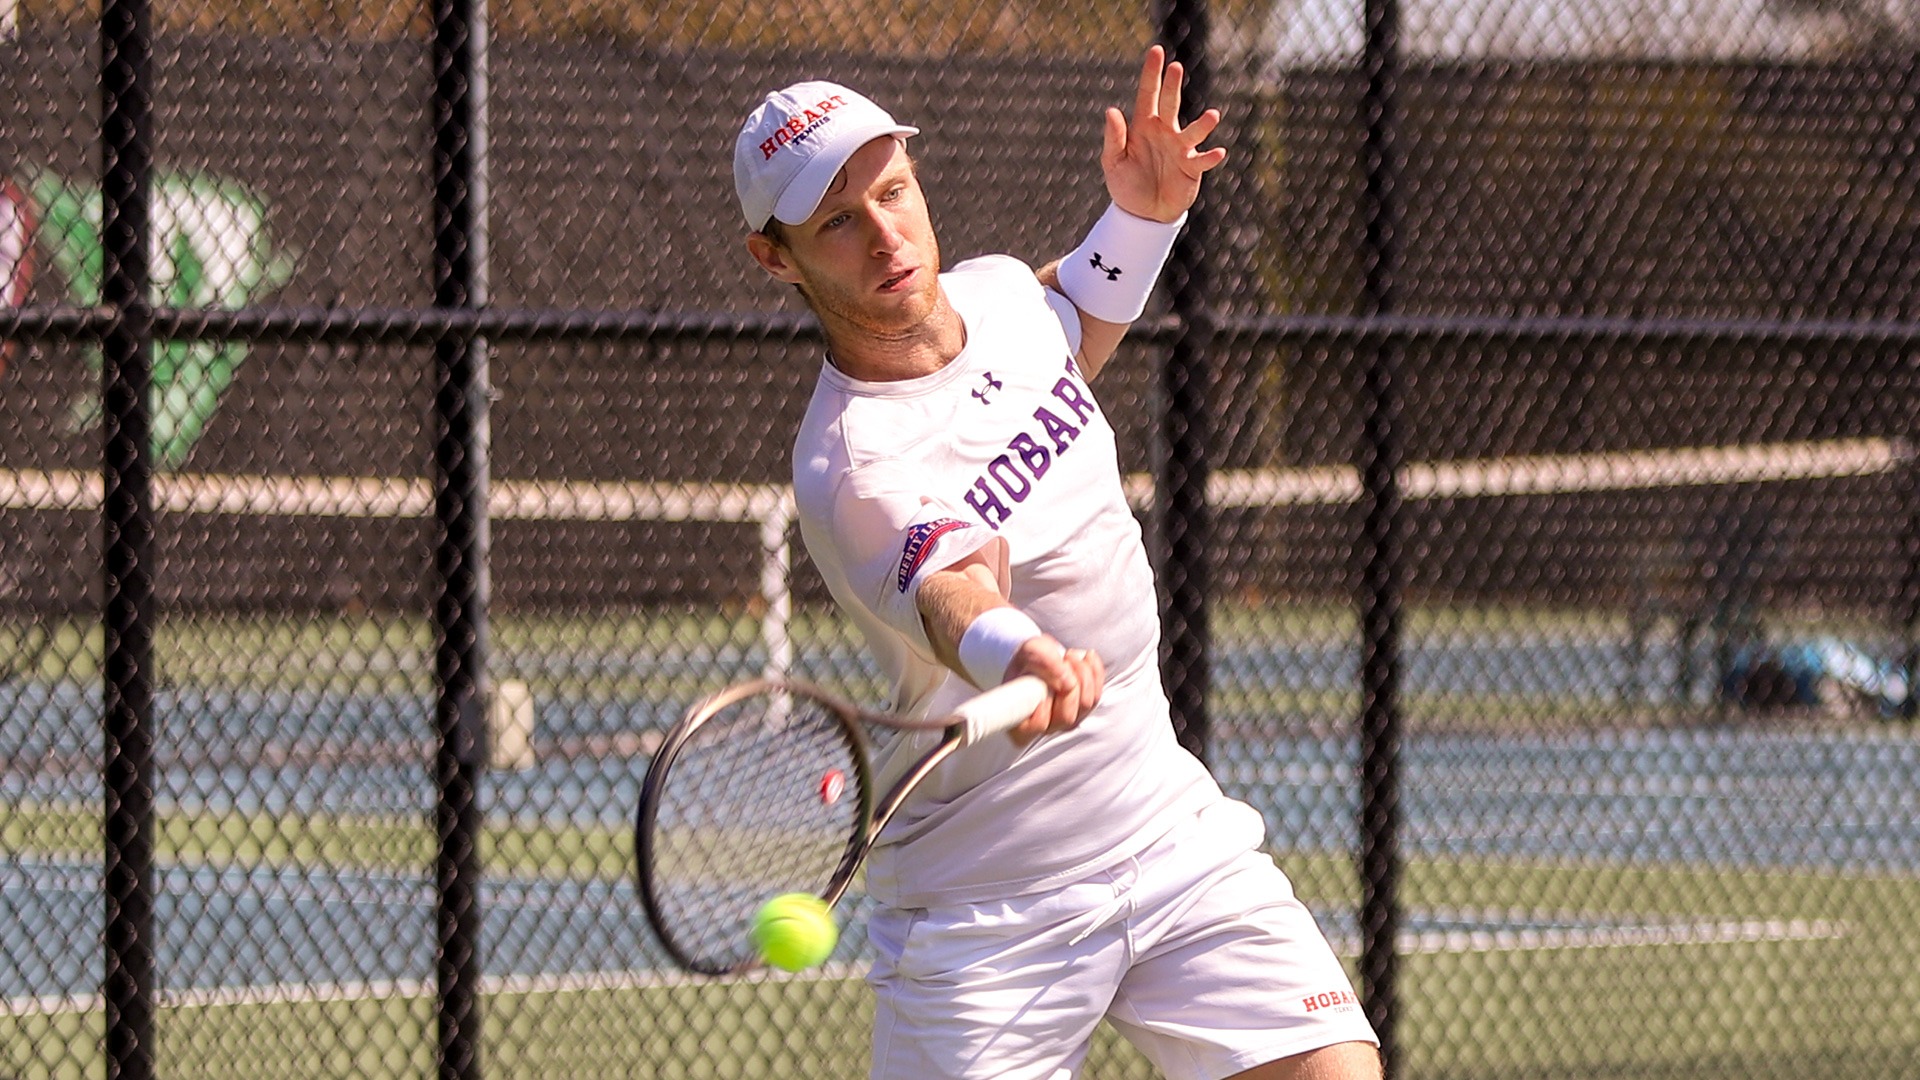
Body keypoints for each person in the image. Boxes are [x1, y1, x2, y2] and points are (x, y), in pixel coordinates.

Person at [733, 47, 1382, 1080]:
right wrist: (1020, 651)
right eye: (838, 222)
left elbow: (1066, 323)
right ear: (780, 259)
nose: (886, 235)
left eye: (892, 191)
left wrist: (1146, 212)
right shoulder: (848, 464)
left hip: (1164, 826)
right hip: (986, 912)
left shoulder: (996, 293)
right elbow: (951, 589)